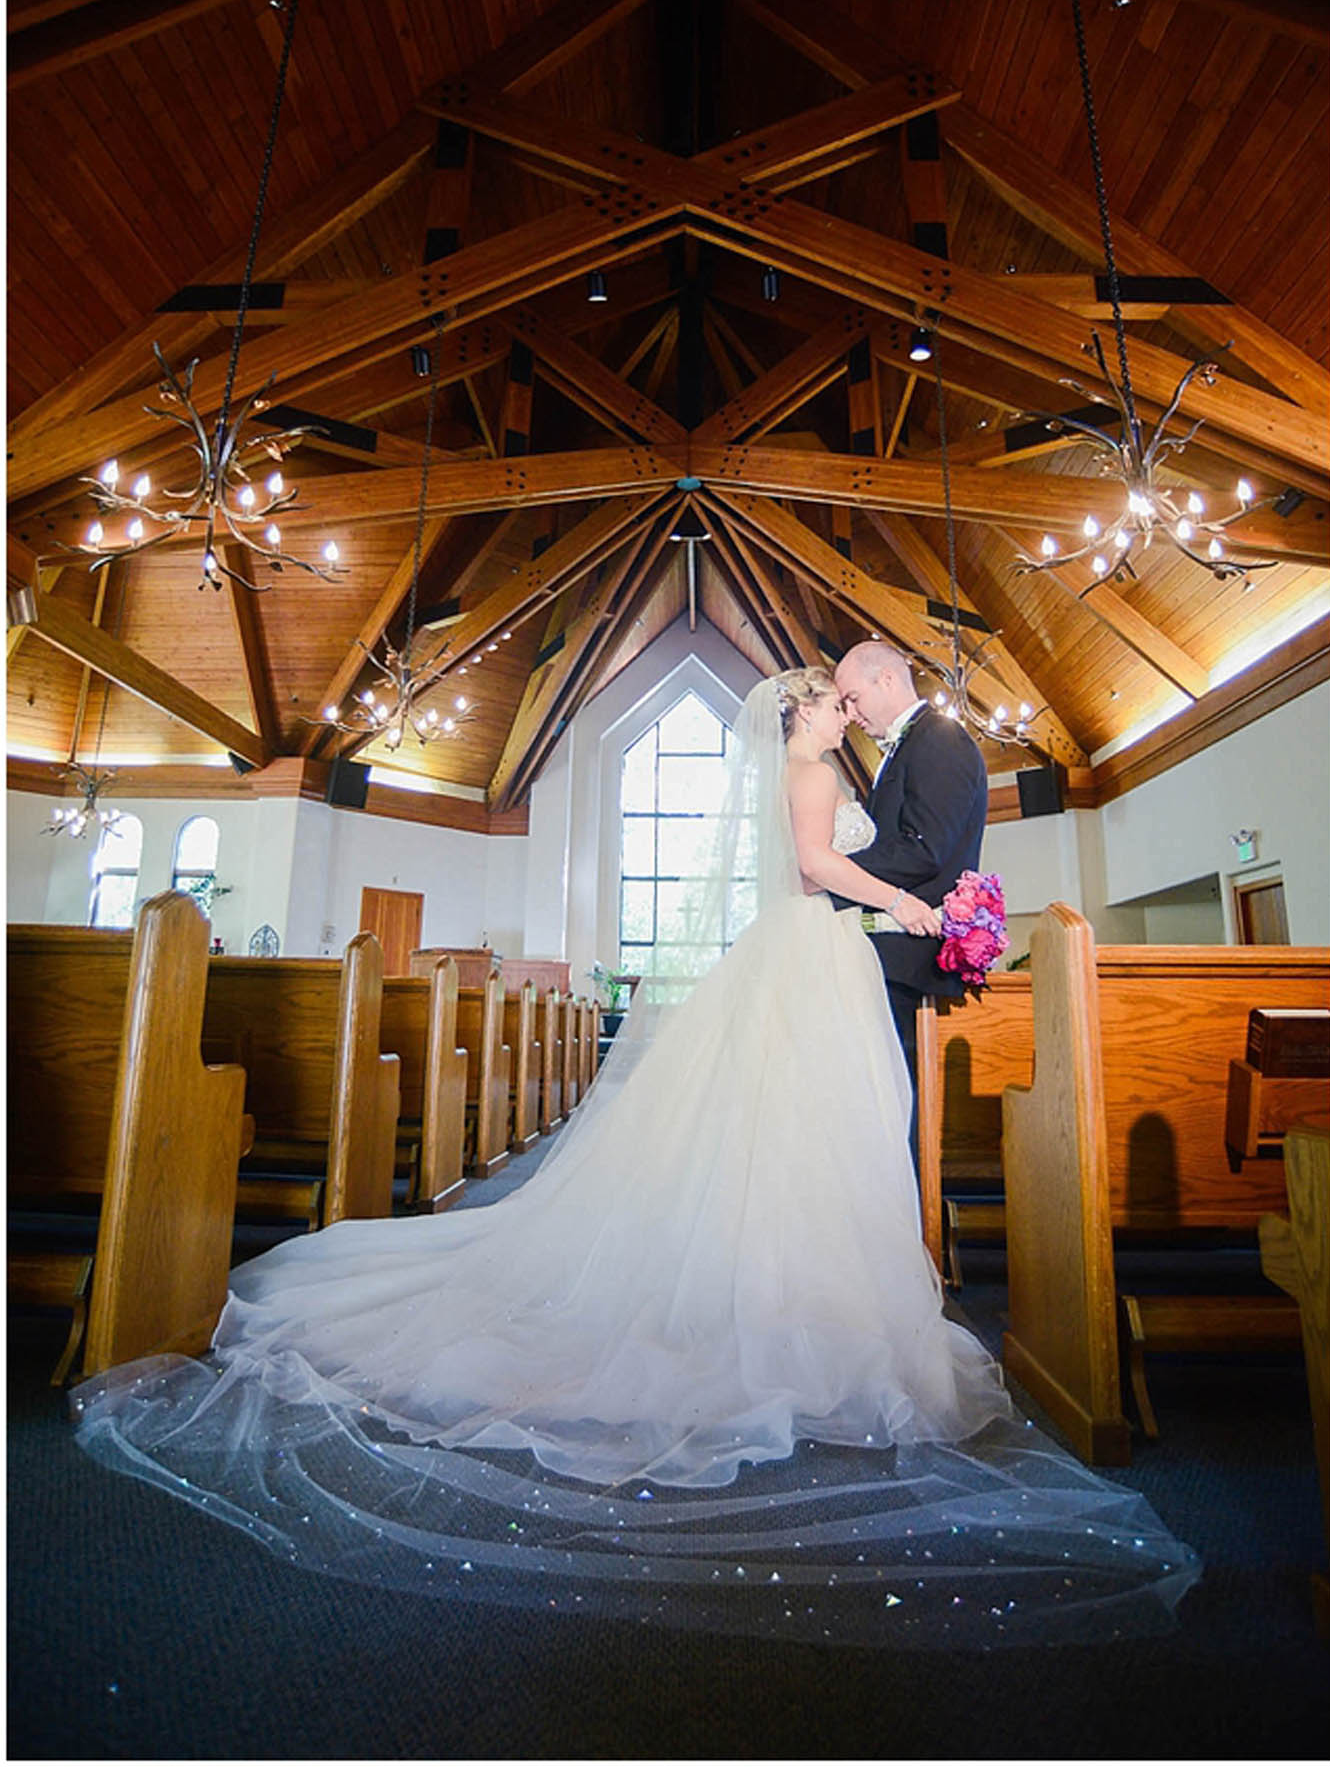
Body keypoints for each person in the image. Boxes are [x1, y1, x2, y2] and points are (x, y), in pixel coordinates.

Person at [71, 669, 1197, 1646]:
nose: (836, 707)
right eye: (825, 699)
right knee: (795, 1120)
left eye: (840, 697)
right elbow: (814, 869)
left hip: (823, 967)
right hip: (813, 952)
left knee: (808, 1129)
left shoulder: (826, 762)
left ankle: (795, 1278)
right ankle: (780, 1289)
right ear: (801, 718)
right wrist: (906, 892)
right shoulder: (811, 775)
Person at [831, 641, 988, 1140]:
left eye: (852, 698)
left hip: (910, 961)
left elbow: (924, 848)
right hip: (892, 956)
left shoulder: (939, 740)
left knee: (902, 1109)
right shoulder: (908, 746)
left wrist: (831, 873)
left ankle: (911, 1216)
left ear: (887, 680)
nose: (849, 714)